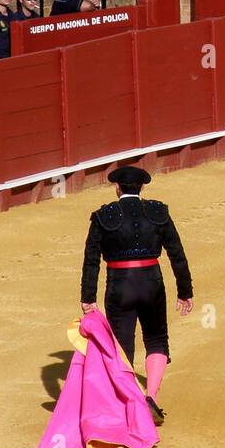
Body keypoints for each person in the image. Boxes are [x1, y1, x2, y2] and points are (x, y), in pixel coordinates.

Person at [80, 165, 194, 425]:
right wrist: (184, 290)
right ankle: (150, 396)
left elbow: (91, 261)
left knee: (122, 346)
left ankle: (129, 402)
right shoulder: (158, 212)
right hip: (152, 282)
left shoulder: (102, 216)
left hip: (120, 285)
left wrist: (88, 297)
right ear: (141, 188)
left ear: (117, 187)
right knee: (156, 339)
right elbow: (177, 253)